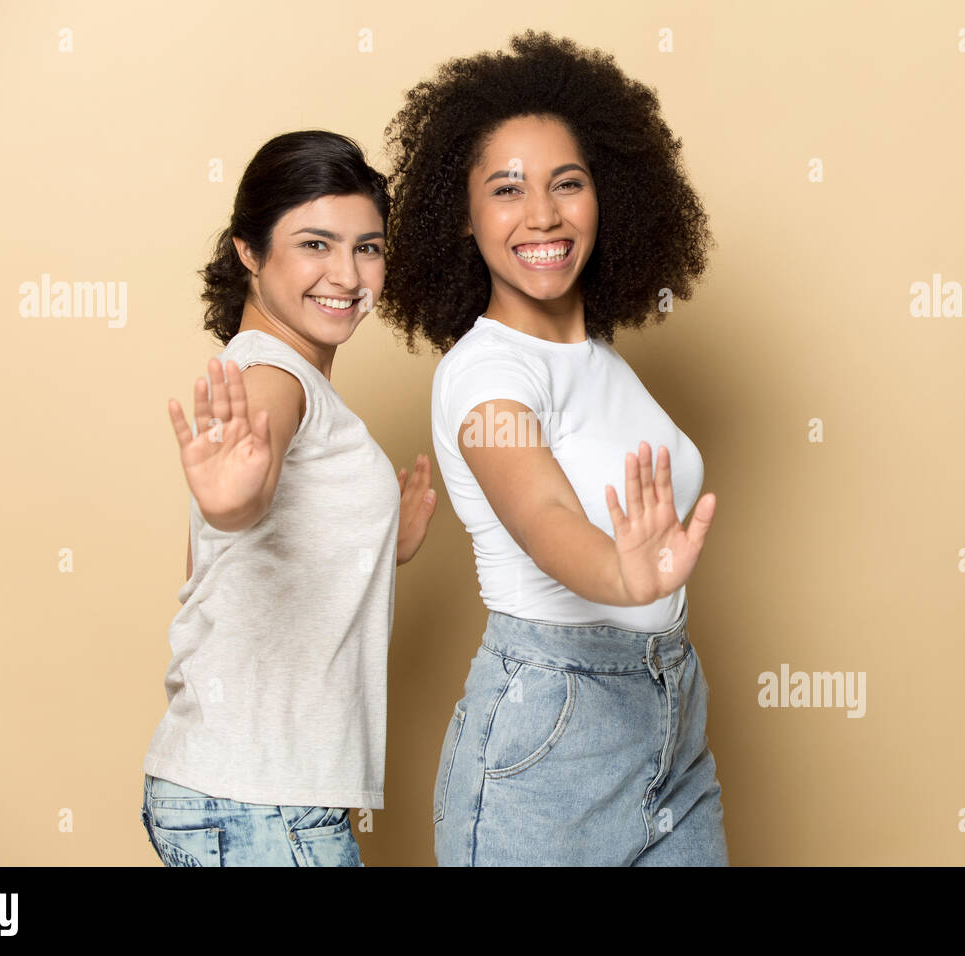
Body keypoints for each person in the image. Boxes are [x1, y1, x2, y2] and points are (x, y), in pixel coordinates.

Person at [379, 31, 729, 865]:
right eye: (506, 191)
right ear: (461, 218)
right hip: (550, 735)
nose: (542, 215)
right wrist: (620, 574)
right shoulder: (486, 374)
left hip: (669, 712)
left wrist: (647, 602)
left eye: (566, 184)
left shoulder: (597, 358)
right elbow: (539, 510)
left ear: (607, 197)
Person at [140, 130, 436, 866]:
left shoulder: (262, 373)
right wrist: (233, 502)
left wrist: (379, 543)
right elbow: (241, 503)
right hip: (261, 804)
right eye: (314, 244)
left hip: (230, 791)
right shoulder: (275, 377)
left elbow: (220, 574)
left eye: (367, 247)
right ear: (248, 250)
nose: (347, 274)